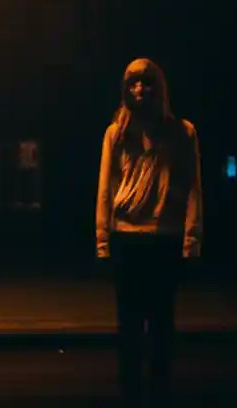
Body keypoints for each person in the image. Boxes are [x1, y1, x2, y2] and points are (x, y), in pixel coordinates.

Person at [95, 58, 203, 407]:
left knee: (160, 325)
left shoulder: (182, 133)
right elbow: (106, 189)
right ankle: (130, 393)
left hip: (163, 239)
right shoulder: (117, 134)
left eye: (147, 82)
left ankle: (158, 393)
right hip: (127, 238)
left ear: (160, 87)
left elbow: (192, 189)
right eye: (133, 83)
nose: (140, 89)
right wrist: (102, 240)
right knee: (128, 325)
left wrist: (191, 240)